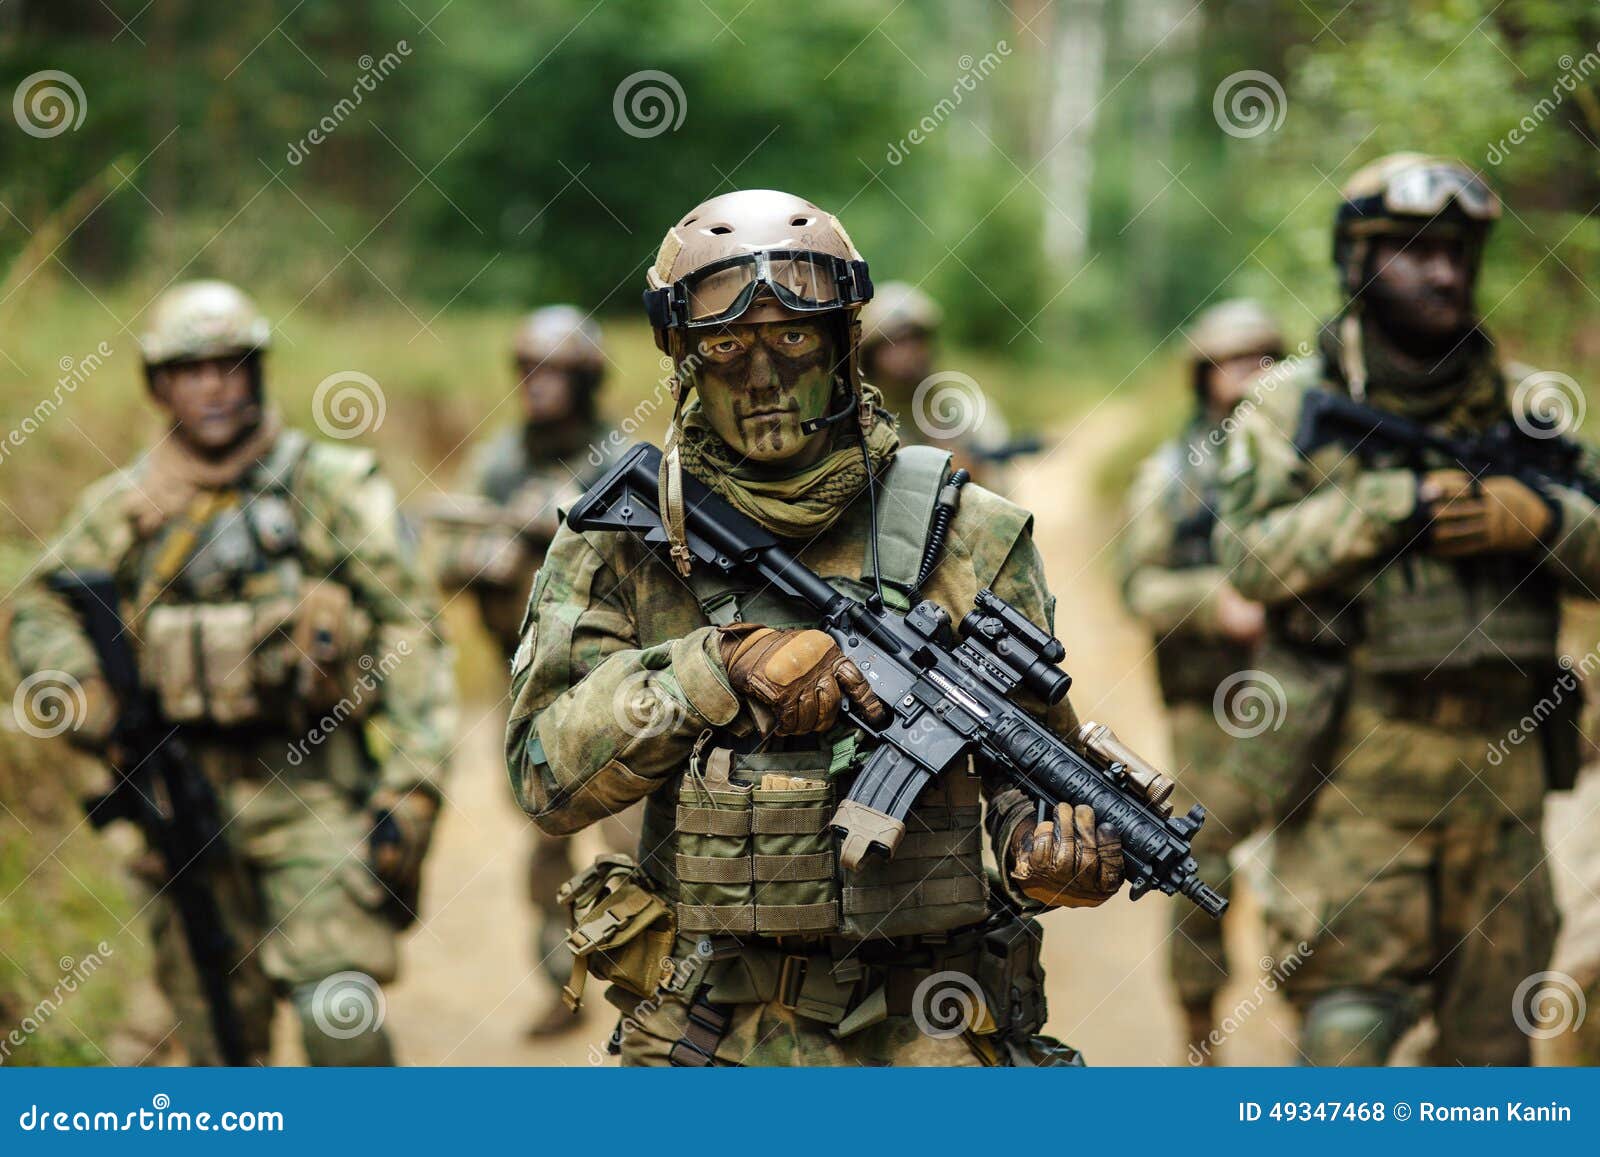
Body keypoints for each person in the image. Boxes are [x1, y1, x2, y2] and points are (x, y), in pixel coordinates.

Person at [505, 189, 1126, 1066]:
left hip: (931, 1024)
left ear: (843, 344)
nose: (760, 377)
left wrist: (1043, 851)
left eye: (791, 337)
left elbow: (1024, 760)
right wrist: (710, 671)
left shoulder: (972, 531)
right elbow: (543, 776)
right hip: (709, 1029)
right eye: (725, 345)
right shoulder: (623, 536)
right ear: (682, 358)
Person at [1214, 154, 1600, 1064]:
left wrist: (1541, 519)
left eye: (1460, 252)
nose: (1445, 272)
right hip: (1360, 782)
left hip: (1504, 791)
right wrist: (1395, 506)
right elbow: (1250, 558)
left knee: (1492, 1067)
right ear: (1358, 262)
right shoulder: (1288, 405)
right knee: (1346, 1045)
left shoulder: (1528, 406)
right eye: (1415, 251)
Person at [10, 280, 455, 1065]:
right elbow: (36, 610)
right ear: (159, 385)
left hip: (312, 787)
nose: (213, 385)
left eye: (229, 364)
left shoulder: (328, 485)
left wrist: (413, 784)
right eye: (190, 369)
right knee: (221, 1039)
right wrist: (89, 695)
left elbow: (409, 630)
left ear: (256, 372)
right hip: (179, 799)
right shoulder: (124, 507)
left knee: (337, 1007)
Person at [427, 304, 631, 1037]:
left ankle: (671, 991)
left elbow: (659, 553)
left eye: (559, 373)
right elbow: (453, 555)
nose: (541, 387)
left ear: (587, 379)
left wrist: (566, 524)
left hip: (614, 687)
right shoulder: (502, 458)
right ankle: (562, 979)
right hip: (532, 691)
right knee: (547, 843)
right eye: (530, 372)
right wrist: (483, 557)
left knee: (638, 844)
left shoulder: (617, 454)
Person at [1119, 298, 1283, 1061]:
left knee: (1314, 869)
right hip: (1211, 700)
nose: (1253, 375)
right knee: (1199, 864)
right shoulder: (1170, 475)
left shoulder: (1308, 461)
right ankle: (1198, 1026)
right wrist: (1215, 605)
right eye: (1237, 361)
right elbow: (1136, 586)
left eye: (1268, 359)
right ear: (1204, 376)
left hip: (1308, 694)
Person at [858, 281, 1016, 486]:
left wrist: (970, 477)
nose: (908, 353)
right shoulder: (858, 420)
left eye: (916, 340)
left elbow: (1002, 494)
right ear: (869, 356)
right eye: (893, 343)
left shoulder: (968, 413)